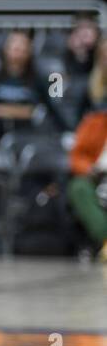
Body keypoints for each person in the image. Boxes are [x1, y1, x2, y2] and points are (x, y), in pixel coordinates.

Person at [0, 30, 68, 140]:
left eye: (22, 49)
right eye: (15, 48)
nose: (17, 53)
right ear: (6, 50)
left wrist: (66, 130)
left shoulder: (36, 80)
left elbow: (50, 109)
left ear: (28, 52)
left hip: (25, 134)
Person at [67, 105, 107, 262]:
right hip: (97, 177)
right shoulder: (95, 122)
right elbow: (76, 156)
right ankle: (105, 238)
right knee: (78, 188)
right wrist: (89, 169)